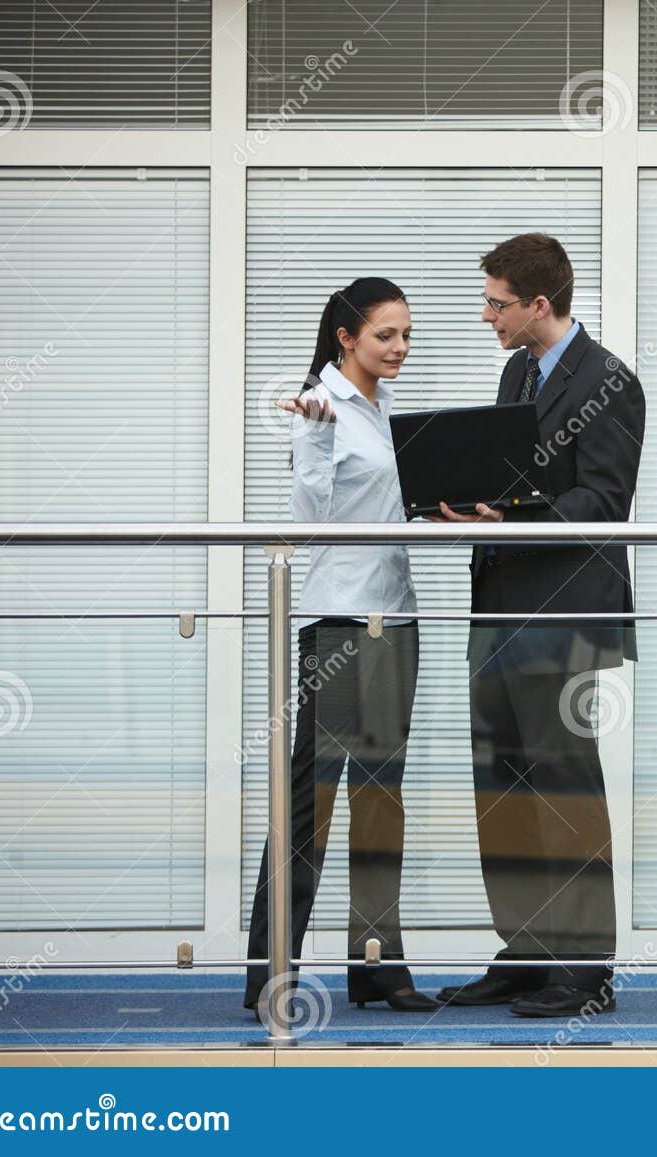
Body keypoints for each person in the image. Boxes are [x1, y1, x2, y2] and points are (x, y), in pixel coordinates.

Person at [433, 233, 644, 1019]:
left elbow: (603, 501)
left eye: (497, 303)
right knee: (503, 781)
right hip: (499, 605)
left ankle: (586, 971)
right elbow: (508, 474)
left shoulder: (609, 380)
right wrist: (467, 500)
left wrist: (511, 517)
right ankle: (526, 951)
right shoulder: (516, 371)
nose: (487, 315)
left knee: (563, 783)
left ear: (540, 305)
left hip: (565, 609)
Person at [244, 277, 438, 1014]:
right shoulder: (319, 408)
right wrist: (318, 436)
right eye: (387, 335)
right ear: (346, 338)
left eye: (407, 335)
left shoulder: (385, 411)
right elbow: (308, 518)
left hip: (396, 619)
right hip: (339, 627)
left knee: (382, 801)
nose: (400, 348)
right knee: (311, 804)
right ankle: (270, 970)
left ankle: (378, 968)